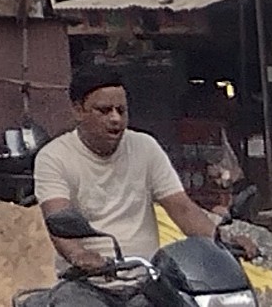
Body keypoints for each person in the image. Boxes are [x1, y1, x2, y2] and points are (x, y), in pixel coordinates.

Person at [36, 67, 258, 278]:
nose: (116, 119)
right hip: (88, 281)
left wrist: (222, 241)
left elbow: (182, 208)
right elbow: (58, 219)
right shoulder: (53, 157)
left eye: (121, 111)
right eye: (104, 111)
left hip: (148, 277)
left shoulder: (145, 146)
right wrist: (81, 255)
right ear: (78, 111)